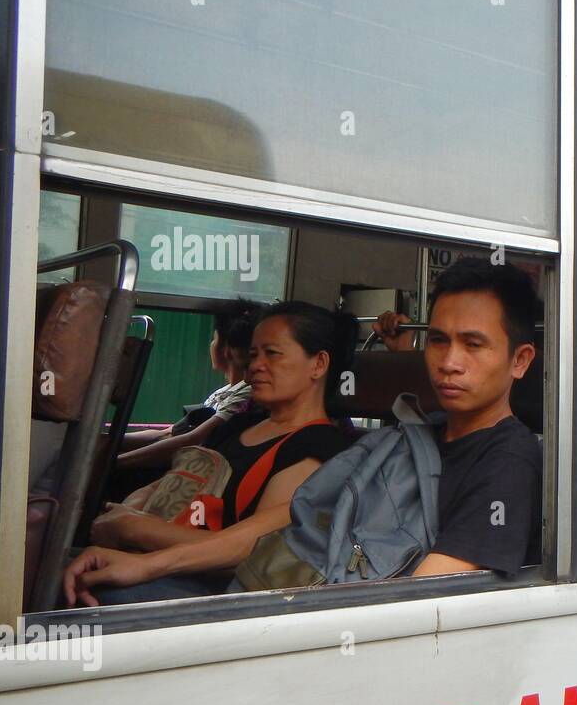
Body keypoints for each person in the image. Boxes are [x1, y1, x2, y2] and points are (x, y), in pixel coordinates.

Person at [62, 303, 359, 605]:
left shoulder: (319, 449)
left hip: (221, 588)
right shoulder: (236, 425)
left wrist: (134, 529)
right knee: (53, 562)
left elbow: (250, 551)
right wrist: (128, 513)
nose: (255, 365)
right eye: (254, 354)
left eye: (272, 353)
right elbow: (175, 480)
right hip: (166, 560)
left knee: (83, 587)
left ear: (318, 364)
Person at [375, 258, 542, 577]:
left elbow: (424, 597)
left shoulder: (509, 462)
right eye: (438, 341)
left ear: (520, 360)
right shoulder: (420, 433)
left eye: (473, 344)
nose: (450, 362)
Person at [115, 300, 260, 469]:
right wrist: (112, 440)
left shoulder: (245, 394)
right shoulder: (223, 392)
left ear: (225, 349)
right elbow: (169, 433)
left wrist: (117, 462)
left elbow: (191, 440)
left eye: (214, 339)